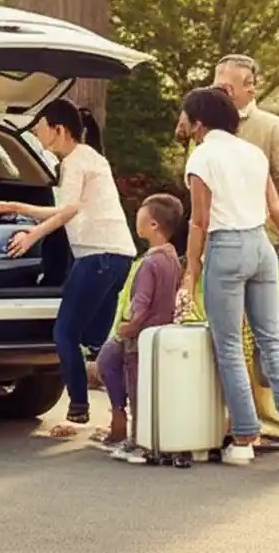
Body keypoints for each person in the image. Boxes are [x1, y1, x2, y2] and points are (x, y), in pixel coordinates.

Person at [175, 53, 279, 450]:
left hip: (228, 247)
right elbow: (274, 210)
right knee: (273, 339)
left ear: (200, 123)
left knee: (229, 344)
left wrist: (190, 275)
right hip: (261, 248)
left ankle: (245, 435)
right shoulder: (252, 153)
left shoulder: (202, 156)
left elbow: (198, 222)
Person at [0, 99, 136, 437]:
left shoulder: (74, 162)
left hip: (97, 257)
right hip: (117, 257)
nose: (37, 134)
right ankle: (120, 415)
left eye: (40, 127)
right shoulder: (90, 159)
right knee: (95, 341)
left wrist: (31, 237)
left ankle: (78, 411)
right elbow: (63, 209)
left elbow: (67, 211)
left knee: (65, 333)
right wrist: (14, 206)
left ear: (59, 129)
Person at [94, 194, 184, 460]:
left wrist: (129, 327)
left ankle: (138, 439)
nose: (137, 219)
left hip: (140, 336)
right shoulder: (171, 260)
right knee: (108, 361)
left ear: (154, 225)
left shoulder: (150, 263)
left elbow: (141, 302)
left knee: (137, 388)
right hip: (158, 334)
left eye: (142, 215)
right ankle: (122, 420)